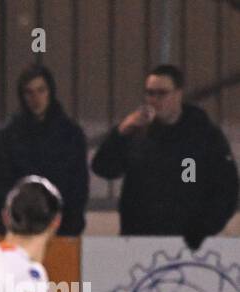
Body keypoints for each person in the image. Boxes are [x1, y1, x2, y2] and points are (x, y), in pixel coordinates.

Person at [91, 64, 239, 248]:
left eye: (161, 93)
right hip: (138, 239)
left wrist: (202, 230)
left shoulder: (204, 136)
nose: (154, 100)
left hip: (187, 242)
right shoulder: (138, 133)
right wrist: (120, 133)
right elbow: (104, 168)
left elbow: (227, 190)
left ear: (178, 94)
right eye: (150, 93)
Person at [0, 65, 89, 236]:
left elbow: (78, 185)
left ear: (50, 92)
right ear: (22, 96)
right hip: (19, 230)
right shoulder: (7, 137)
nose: (36, 98)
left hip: (61, 230)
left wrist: (69, 223)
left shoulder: (71, 135)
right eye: (29, 92)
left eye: (41, 90)